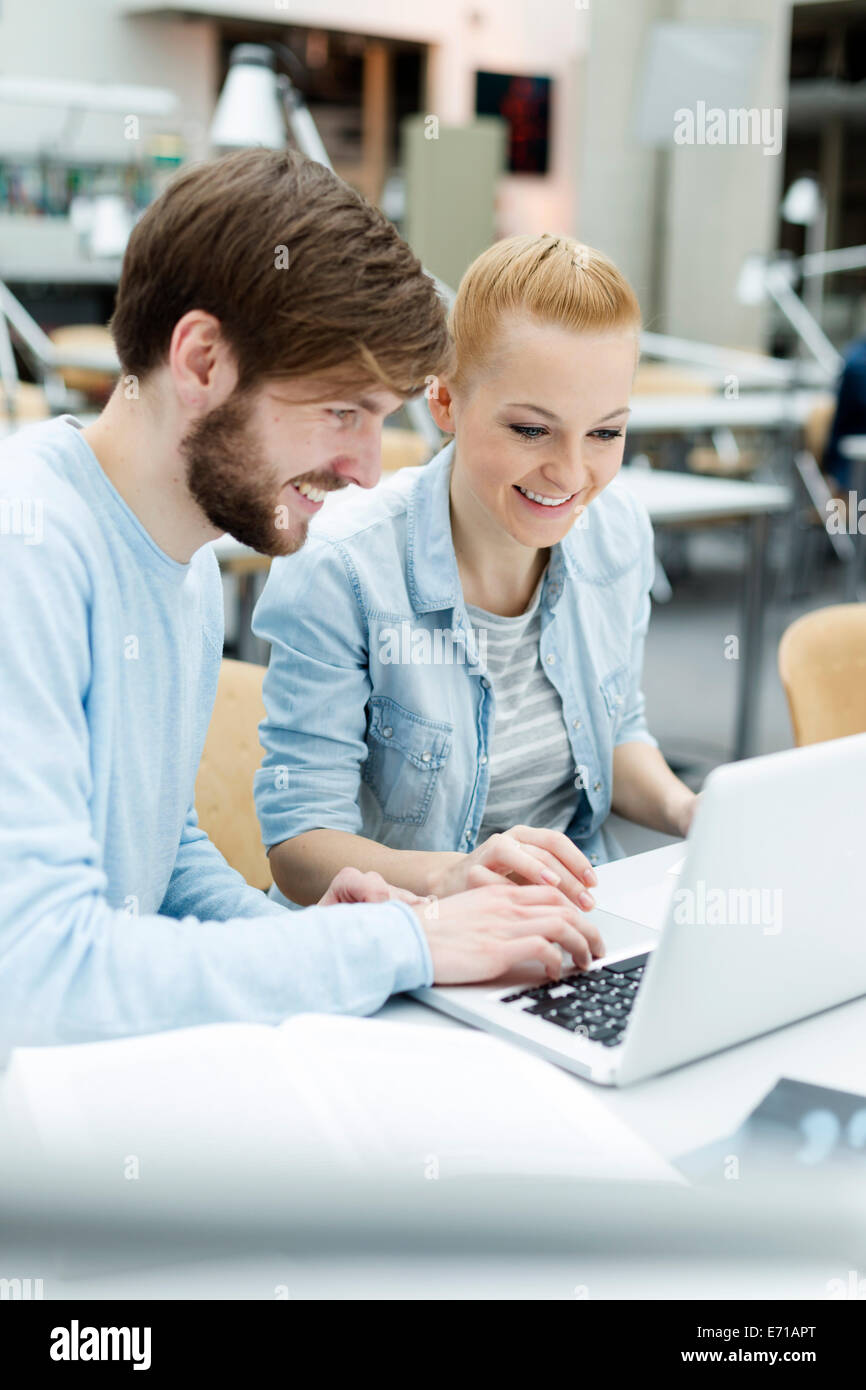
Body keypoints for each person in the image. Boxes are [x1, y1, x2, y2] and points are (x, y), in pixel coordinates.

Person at [0, 155, 598, 1050]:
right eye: (342, 413)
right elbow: (38, 973)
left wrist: (308, 938)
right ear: (201, 359)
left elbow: (154, 860)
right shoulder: (28, 553)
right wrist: (396, 943)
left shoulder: (188, 560)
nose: (367, 468)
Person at [254, 234, 698, 911]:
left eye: (605, 434)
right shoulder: (340, 569)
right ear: (444, 402)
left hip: (568, 923)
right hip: (402, 944)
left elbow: (617, 731)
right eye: (530, 430)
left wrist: (690, 811)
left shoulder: (619, 533)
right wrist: (452, 878)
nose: (572, 474)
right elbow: (301, 846)